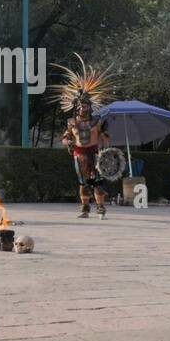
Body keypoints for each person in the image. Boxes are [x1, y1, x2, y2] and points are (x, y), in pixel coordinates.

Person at [51, 53, 118, 220]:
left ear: (90, 106)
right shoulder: (71, 122)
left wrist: (106, 147)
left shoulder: (98, 121)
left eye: (86, 105)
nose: (84, 108)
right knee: (83, 183)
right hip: (78, 155)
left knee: (98, 183)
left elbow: (106, 137)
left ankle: (101, 209)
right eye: (81, 105)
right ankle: (85, 208)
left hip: (95, 154)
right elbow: (65, 137)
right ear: (77, 106)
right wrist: (68, 143)